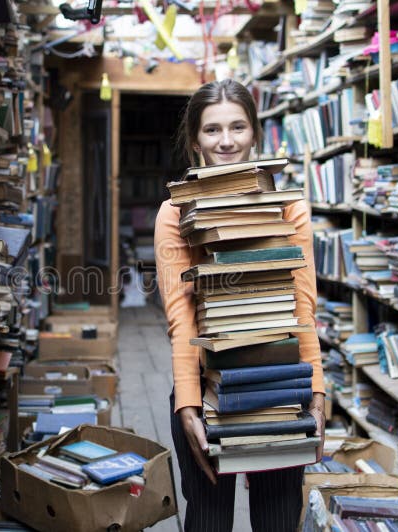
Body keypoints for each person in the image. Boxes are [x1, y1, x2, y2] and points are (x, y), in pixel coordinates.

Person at [153, 79, 325, 532]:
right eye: (212, 130)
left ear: (255, 134)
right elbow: (180, 316)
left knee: (278, 518)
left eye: (237, 127)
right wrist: (188, 404)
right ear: (195, 141)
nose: (226, 141)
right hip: (205, 381)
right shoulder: (174, 213)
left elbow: (302, 310)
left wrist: (318, 398)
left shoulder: (289, 210)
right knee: (208, 520)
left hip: (280, 383)